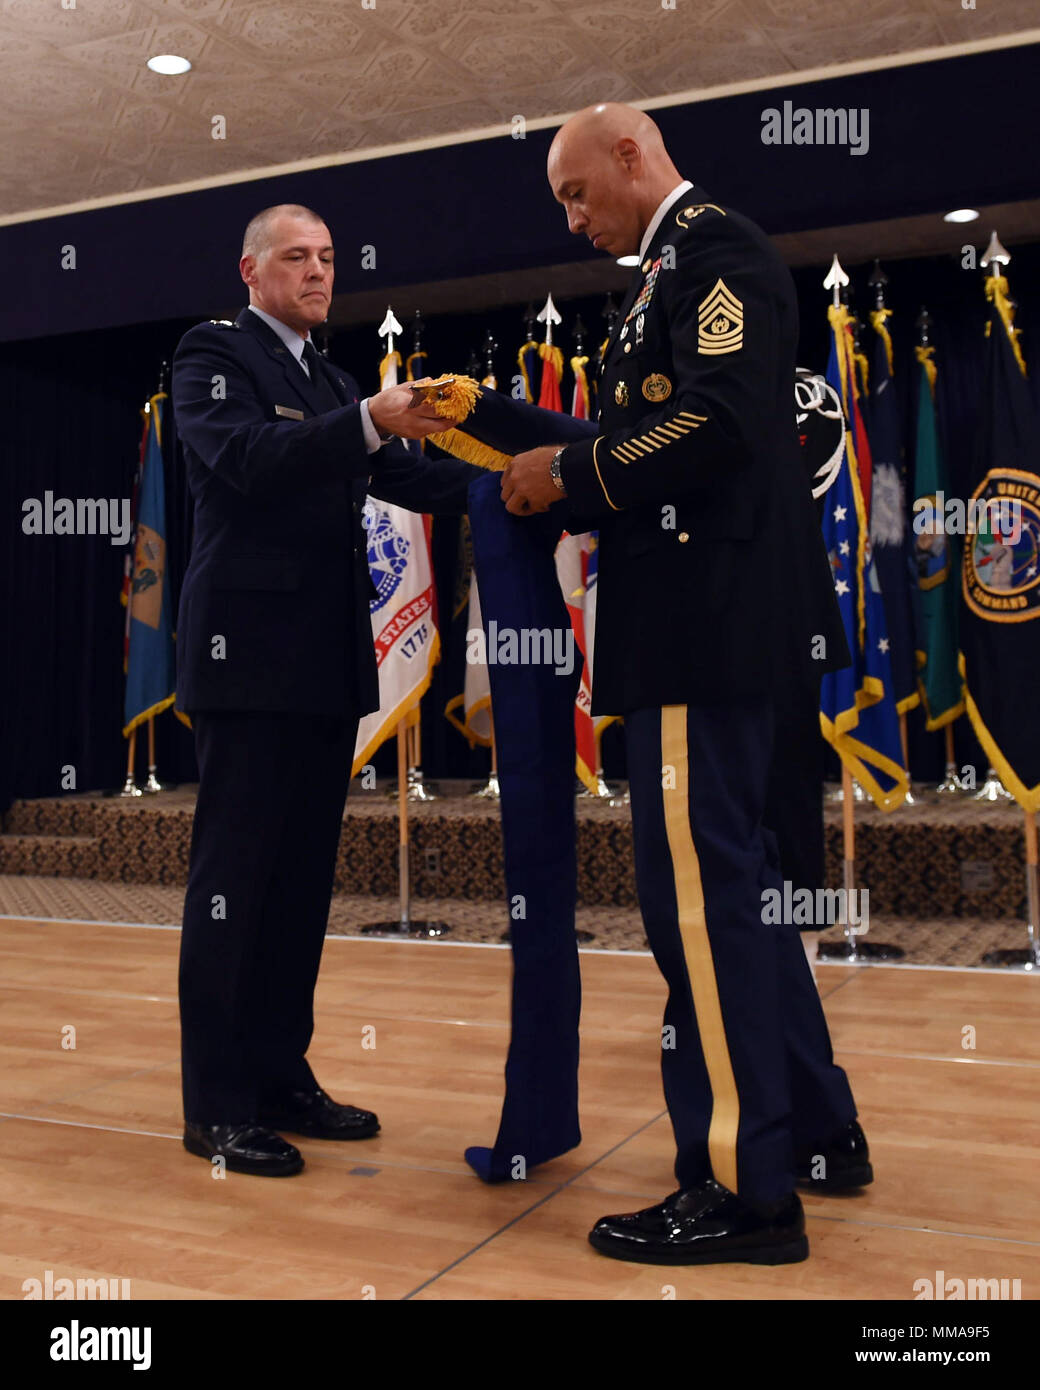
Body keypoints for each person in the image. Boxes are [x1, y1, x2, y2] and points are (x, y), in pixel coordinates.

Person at [499, 105, 872, 1265]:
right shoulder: (671, 266)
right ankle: (814, 1132)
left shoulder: (711, 252)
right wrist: (510, 436)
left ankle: (738, 1190)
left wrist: (564, 471)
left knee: (701, 917)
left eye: (573, 191)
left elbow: (711, 424)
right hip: (718, 632)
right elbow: (649, 425)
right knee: (744, 899)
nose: (571, 217)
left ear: (627, 154)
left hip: (699, 637)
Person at [172, 203, 477, 1177]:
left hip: (320, 666)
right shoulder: (209, 354)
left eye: (328, 258)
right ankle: (216, 1104)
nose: (317, 272)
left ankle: (277, 1074)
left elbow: (412, 479)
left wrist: (530, 475)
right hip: (246, 659)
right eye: (296, 258)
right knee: (232, 887)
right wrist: (367, 422)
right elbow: (250, 460)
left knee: (298, 885)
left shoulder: (335, 378)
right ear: (251, 271)